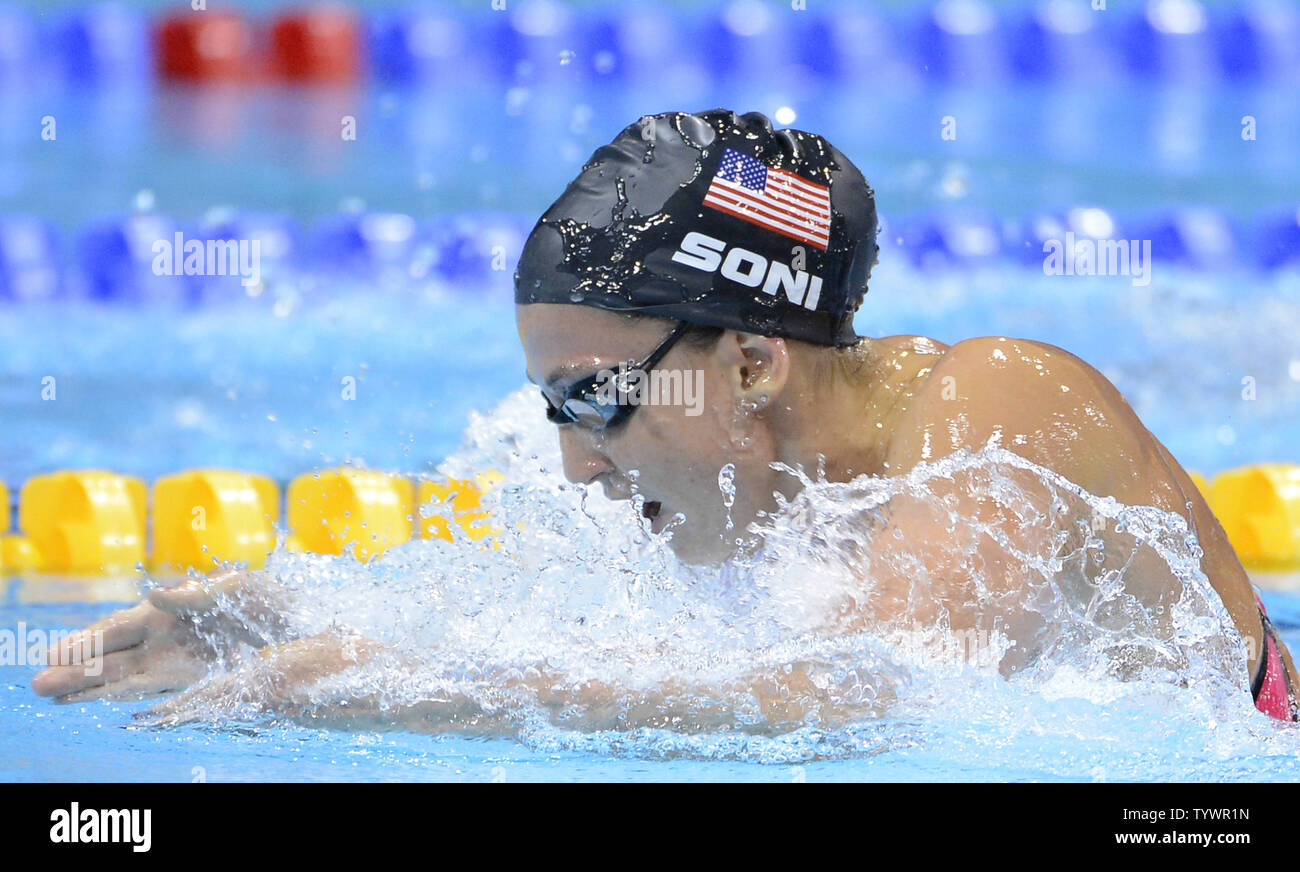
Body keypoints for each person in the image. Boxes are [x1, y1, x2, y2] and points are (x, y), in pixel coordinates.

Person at [32, 108, 1298, 726]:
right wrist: (294, 619)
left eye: (599, 402)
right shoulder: (764, 488)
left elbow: (878, 694)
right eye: (554, 409)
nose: (579, 468)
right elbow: (608, 636)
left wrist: (408, 694)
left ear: (751, 361)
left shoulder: (1001, 400)